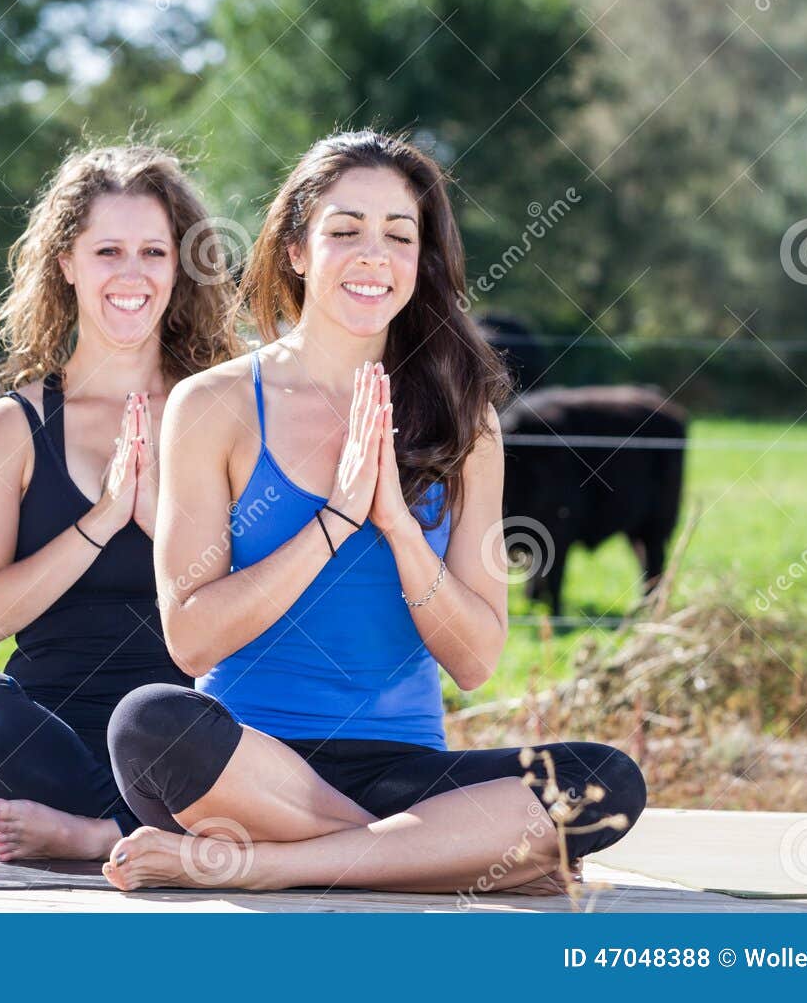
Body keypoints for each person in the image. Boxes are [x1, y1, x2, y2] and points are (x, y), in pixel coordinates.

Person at [101, 130, 648, 893]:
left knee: (604, 780)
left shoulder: (467, 422)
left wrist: (396, 523)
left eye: (399, 235)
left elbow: (476, 659)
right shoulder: (214, 404)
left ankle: (273, 864)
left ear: (422, 260)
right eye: (345, 230)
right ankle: (432, 857)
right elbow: (190, 640)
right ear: (296, 249)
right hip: (248, 765)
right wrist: (332, 519)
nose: (373, 255)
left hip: (404, 776)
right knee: (147, 723)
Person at [0, 146, 240, 861]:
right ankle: (127, 832)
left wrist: (152, 511)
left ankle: (97, 833)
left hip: (180, 728)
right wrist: (98, 522)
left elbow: (251, 603)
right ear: (66, 261)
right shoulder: (11, 426)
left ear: (179, 265)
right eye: (108, 250)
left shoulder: (225, 409)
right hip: (45, 732)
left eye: (154, 251)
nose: (133, 274)